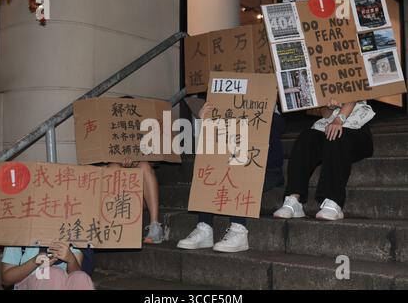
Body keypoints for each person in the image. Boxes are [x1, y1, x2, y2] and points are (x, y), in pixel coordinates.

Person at [177, 101, 285, 253]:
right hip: (233, 164)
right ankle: (204, 227)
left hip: (267, 171)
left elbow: (270, 155)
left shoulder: (272, 117)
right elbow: (211, 148)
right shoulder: (229, 110)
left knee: (238, 169)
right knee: (213, 169)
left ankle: (239, 230)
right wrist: (204, 121)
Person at [273, 99, 375, 221]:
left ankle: (333, 201)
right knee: (307, 137)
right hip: (329, 126)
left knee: (336, 135)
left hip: (356, 131)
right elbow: (326, 114)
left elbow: (353, 97)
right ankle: (294, 199)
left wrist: (339, 120)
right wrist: (331, 107)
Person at [108, 95, 164, 244]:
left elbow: (154, 160)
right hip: (121, 200)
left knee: (145, 165)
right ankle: (116, 225)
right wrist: (119, 162)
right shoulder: (112, 132)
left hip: (141, 199)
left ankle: (155, 226)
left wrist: (137, 160)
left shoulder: (143, 131)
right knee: (113, 167)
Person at [1, 241, 94, 290]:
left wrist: (71, 260)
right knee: (53, 274)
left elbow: (75, 276)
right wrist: (34, 262)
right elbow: (6, 280)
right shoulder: (19, 231)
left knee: (82, 277)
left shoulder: (70, 230)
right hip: (30, 281)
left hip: (64, 282)